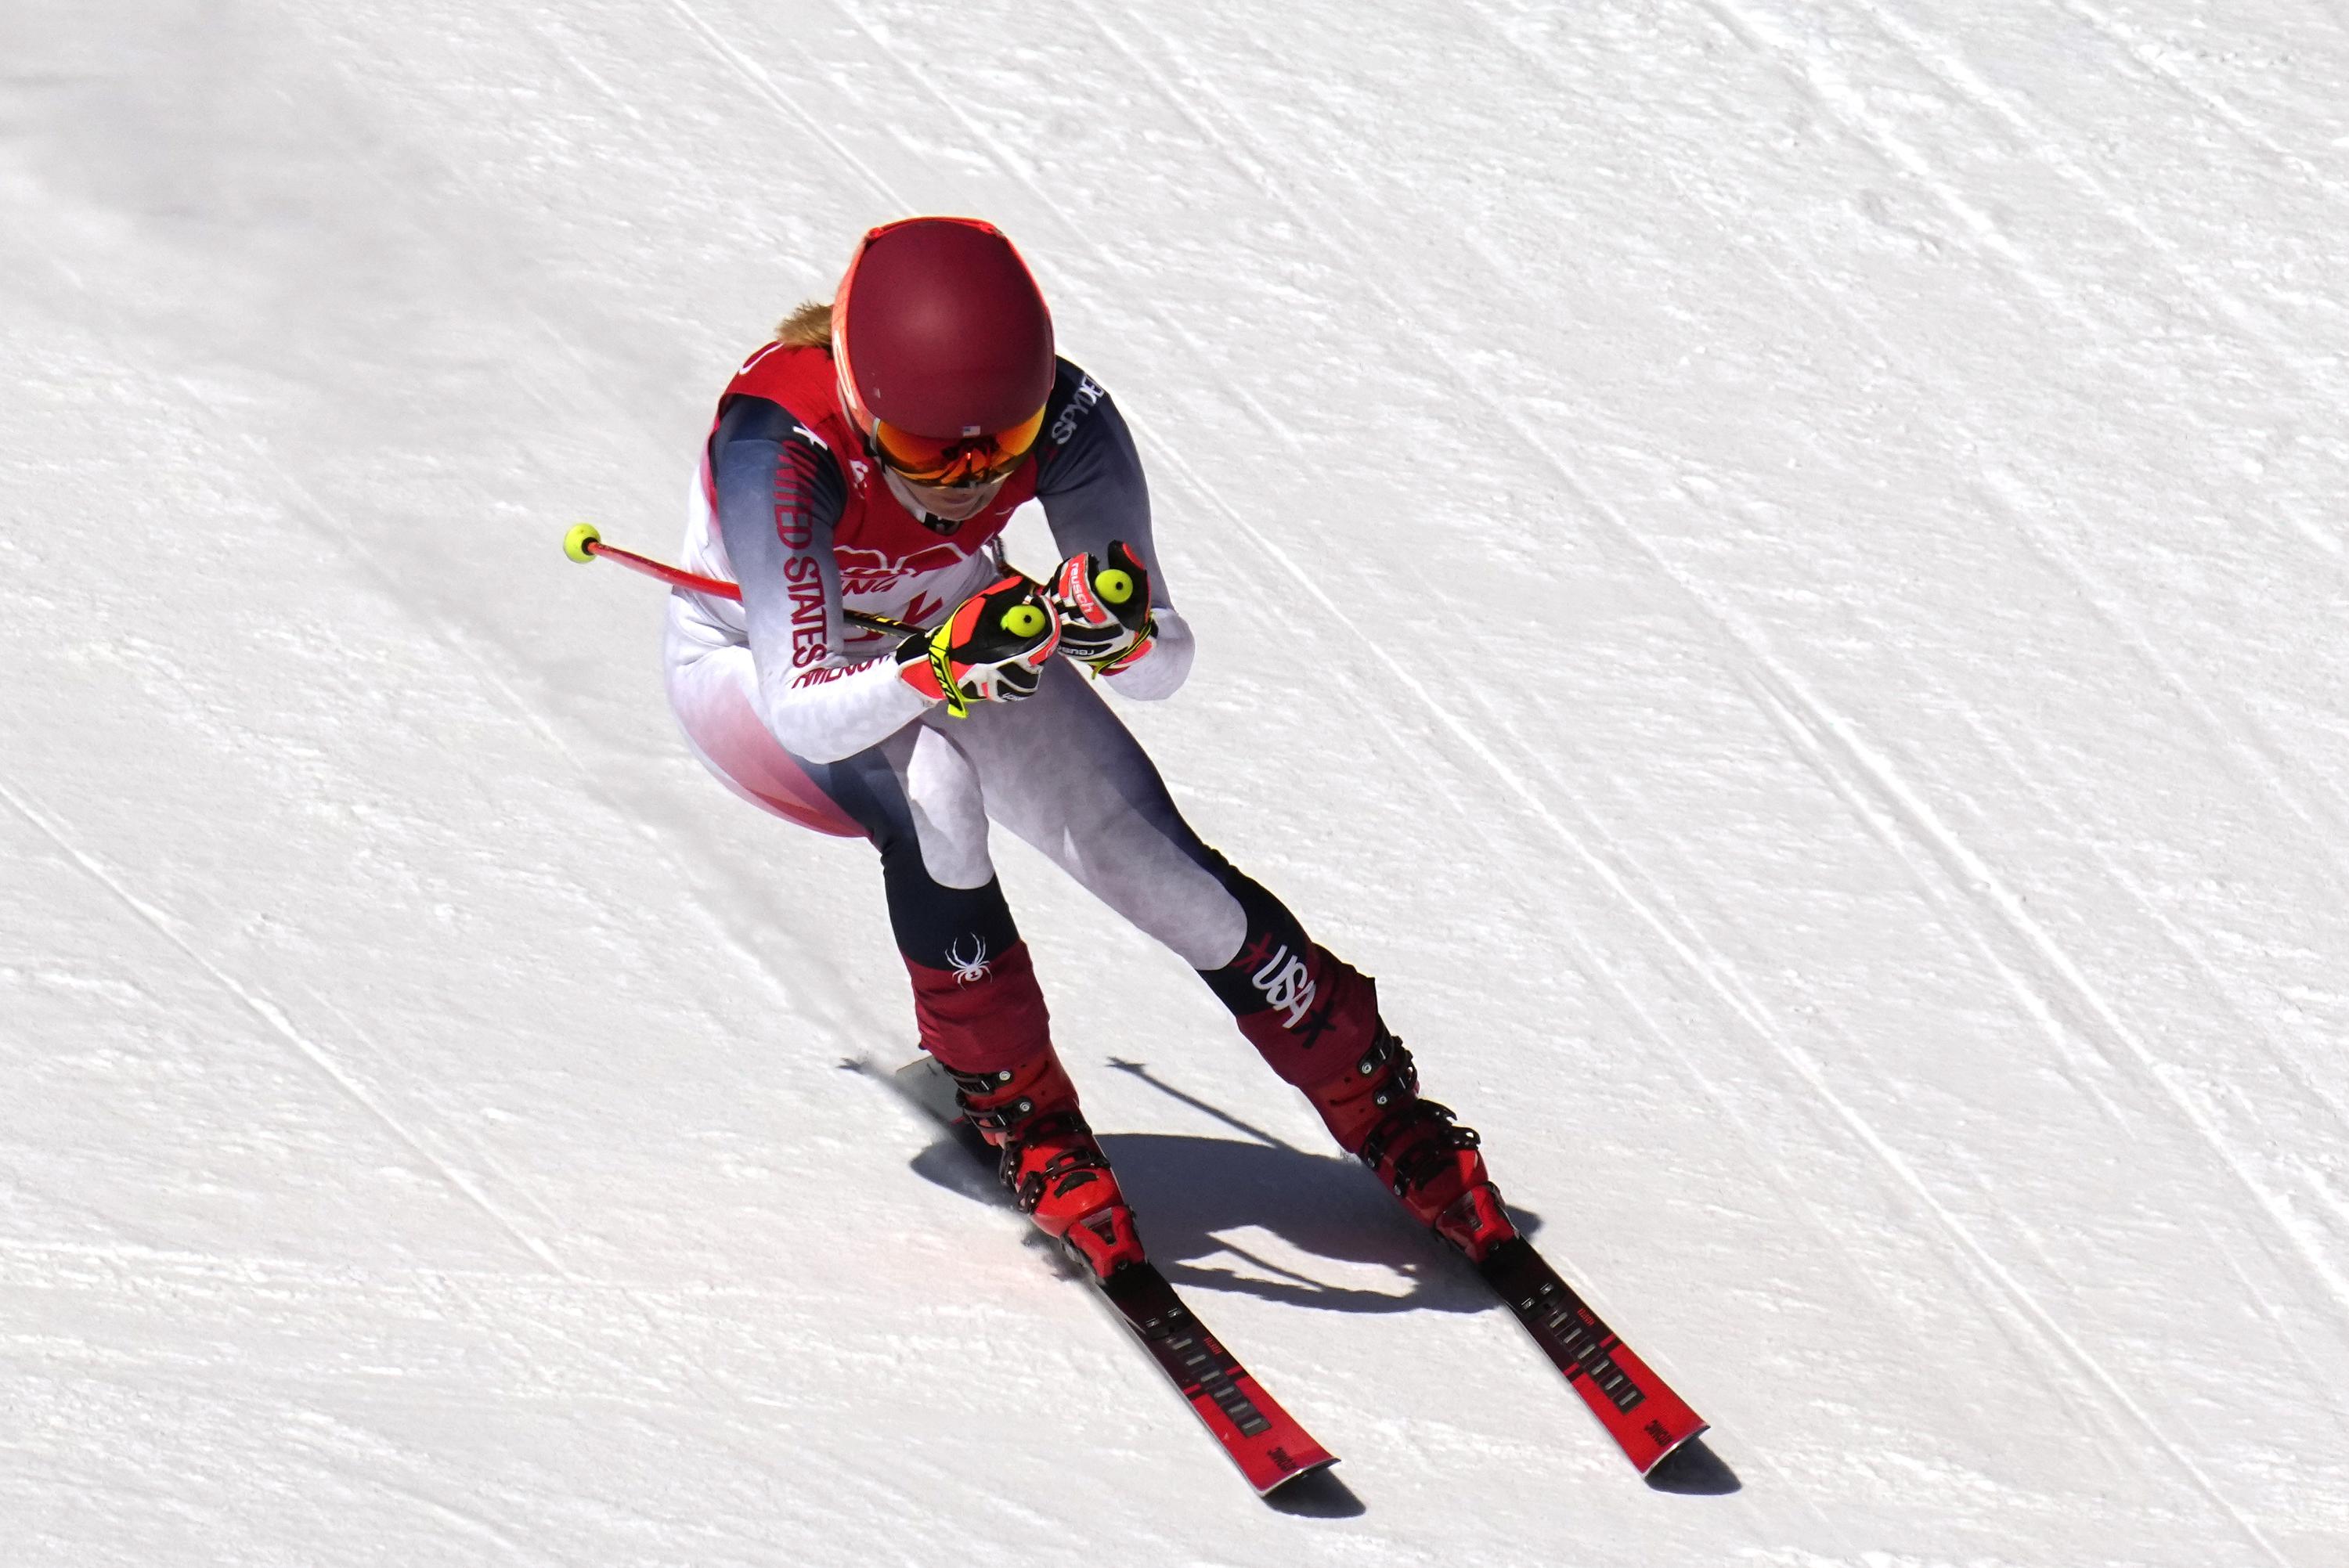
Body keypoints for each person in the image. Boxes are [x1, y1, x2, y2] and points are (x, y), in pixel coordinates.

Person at [663, 215, 1517, 1278]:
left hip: (960, 630)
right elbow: (805, 712)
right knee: (933, 794)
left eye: (1001, 450)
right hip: (757, 671)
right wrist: (937, 669)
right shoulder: (778, 444)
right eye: (931, 454)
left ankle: (1373, 1095)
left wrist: (1123, 634)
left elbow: (1166, 663)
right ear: (863, 404)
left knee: (1153, 865)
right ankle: (1029, 1116)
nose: (970, 482)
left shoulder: (1068, 418)